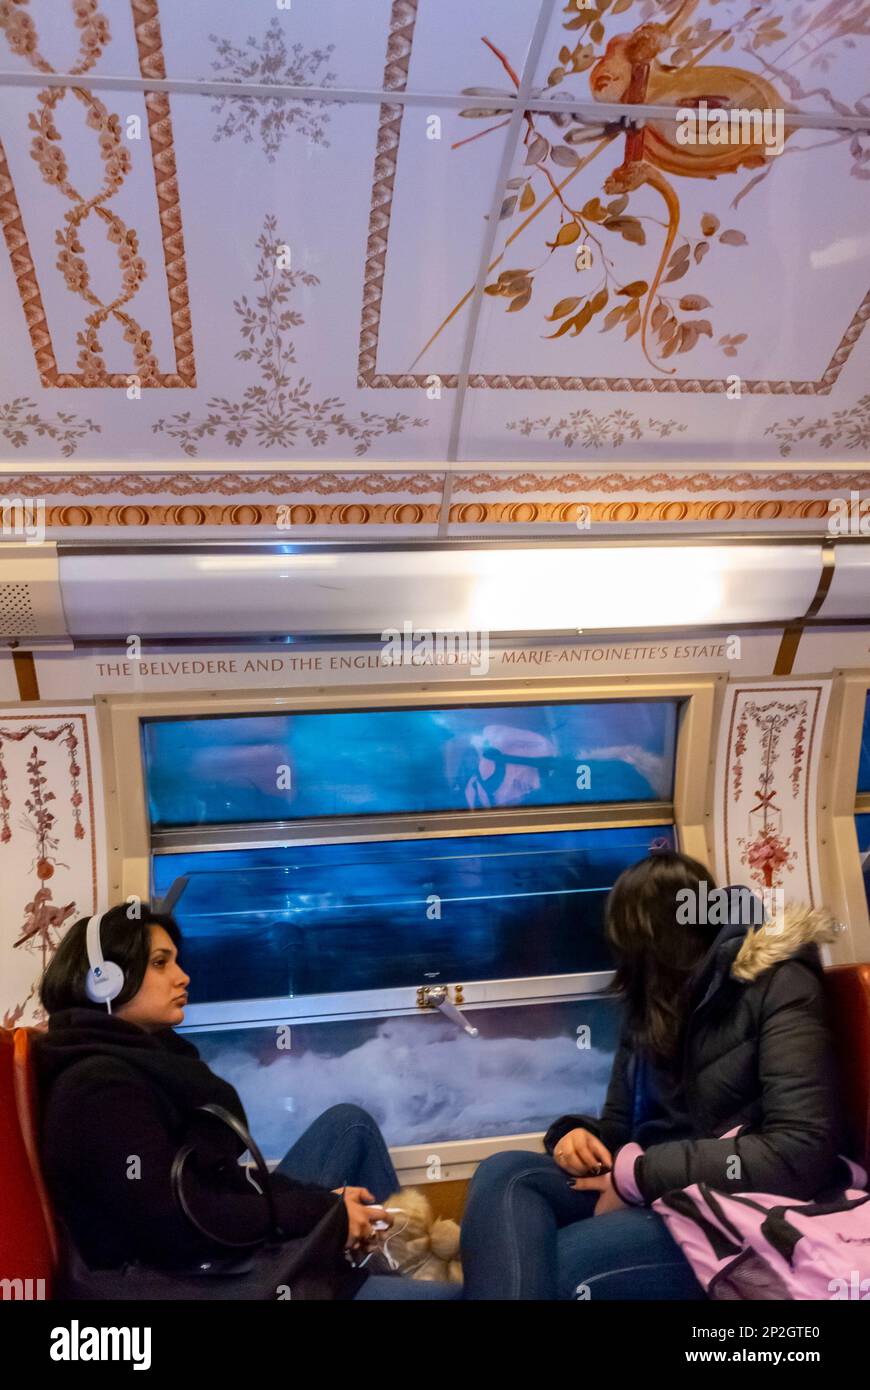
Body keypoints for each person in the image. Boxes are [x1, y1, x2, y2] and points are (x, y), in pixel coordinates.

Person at [460, 850, 848, 1300]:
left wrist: (639, 1176)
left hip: (740, 1206)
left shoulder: (779, 983)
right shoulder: (651, 1004)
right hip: (651, 1184)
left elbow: (799, 1151)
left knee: (567, 1263)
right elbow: (620, 1128)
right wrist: (578, 1138)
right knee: (505, 1176)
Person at [35, 904, 460, 1301]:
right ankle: (384, 1269)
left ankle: (384, 1256)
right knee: (452, 1286)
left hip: (205, 1256)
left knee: (350, 1125)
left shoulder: (145, 1062)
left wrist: (326, 1205)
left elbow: (216, 1182)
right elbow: (183, 1222)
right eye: (161, 963)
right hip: (183, 1280)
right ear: (104, 980)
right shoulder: (100, 1088)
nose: (182, 977)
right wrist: (324, 1215)